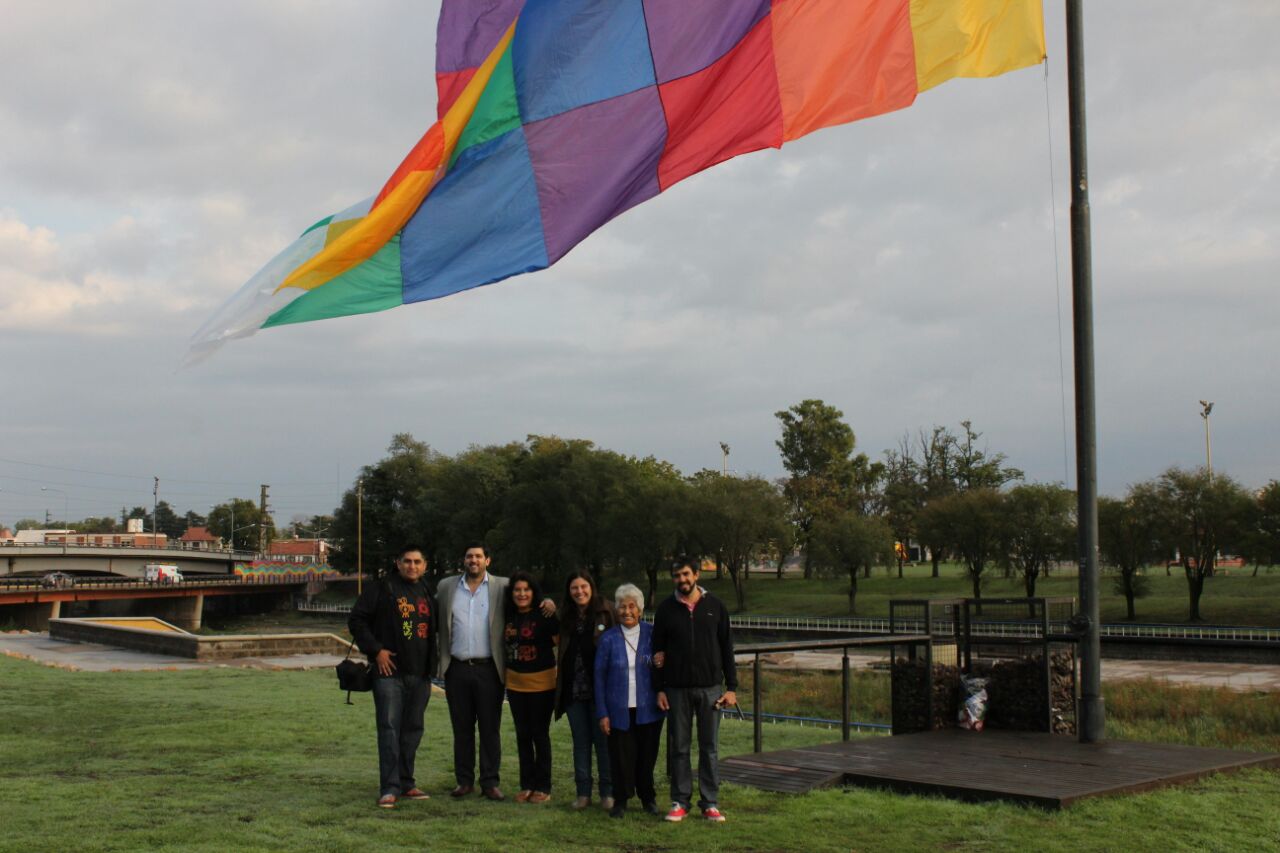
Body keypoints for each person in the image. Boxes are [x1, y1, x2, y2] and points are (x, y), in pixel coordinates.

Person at [435, 542, 555, 801]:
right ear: (463, 561)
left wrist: (548, 601)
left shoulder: (502, 586)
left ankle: (490, 781)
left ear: (487, 560)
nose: (473, 560)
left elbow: (528, 597)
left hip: (490, 668)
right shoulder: (446, 587)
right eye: (469, 556)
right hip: (456, 668)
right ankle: (464, 781)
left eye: (479, 556)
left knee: (490, 728)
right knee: (462, 728)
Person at [347, 546, 437, 809]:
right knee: (389, 729)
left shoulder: (427, 591)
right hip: (389, 674)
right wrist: (376, 651)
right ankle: (389, 787)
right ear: (398, 563)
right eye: (406, 561)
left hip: (420, 673)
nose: (412, 566)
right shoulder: (381, 588)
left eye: (417, 562)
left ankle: (407, 782)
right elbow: (357, 620)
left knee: (413, 730)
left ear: (425, 566)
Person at [652, 556, 736, 823]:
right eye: (677, 576)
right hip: (676, 689)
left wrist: (731, 688)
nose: (682, 580)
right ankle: (680, 801)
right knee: (679, 747)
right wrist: (659, 689)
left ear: (697, 575)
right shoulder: (665, 609)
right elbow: (657, 652)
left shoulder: (715, 606)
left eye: (686, 574)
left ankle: (710, 802)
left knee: (709, 747)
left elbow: (727, 648)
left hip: (711, 688)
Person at [595, 583, 664, 819]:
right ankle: (621, 800)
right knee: (620, 758)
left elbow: (665, 665)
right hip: (618, 710)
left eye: (632, 606)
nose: (627, 611)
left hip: (649, 708)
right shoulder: (608, 639)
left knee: (647, 756)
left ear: (640, 609)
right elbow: (599, 677)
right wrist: (603, 713)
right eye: (622, 607)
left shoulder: (653, 634)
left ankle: (648, 798)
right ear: (616, 609)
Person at [554, 570, 614, 812]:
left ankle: (607, 793)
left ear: (592, 587)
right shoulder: (565, 615)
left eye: (583, 587)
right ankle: (583, 793)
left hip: (600, 689)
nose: (579, 592)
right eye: (574, 588)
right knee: (580, 742)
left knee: (603, 743)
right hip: (573, 689)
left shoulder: (607, 610)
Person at [502, 571, 559, 803]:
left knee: (539, 734)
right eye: (517, 590)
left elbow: (560, 643)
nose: (522, 594)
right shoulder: (507, 614)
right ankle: (526, 784)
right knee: (522, 735)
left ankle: (543, 786)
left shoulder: (545, 614)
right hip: (515, 684)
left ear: (534, 592)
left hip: (542, 684)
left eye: (526, 590)